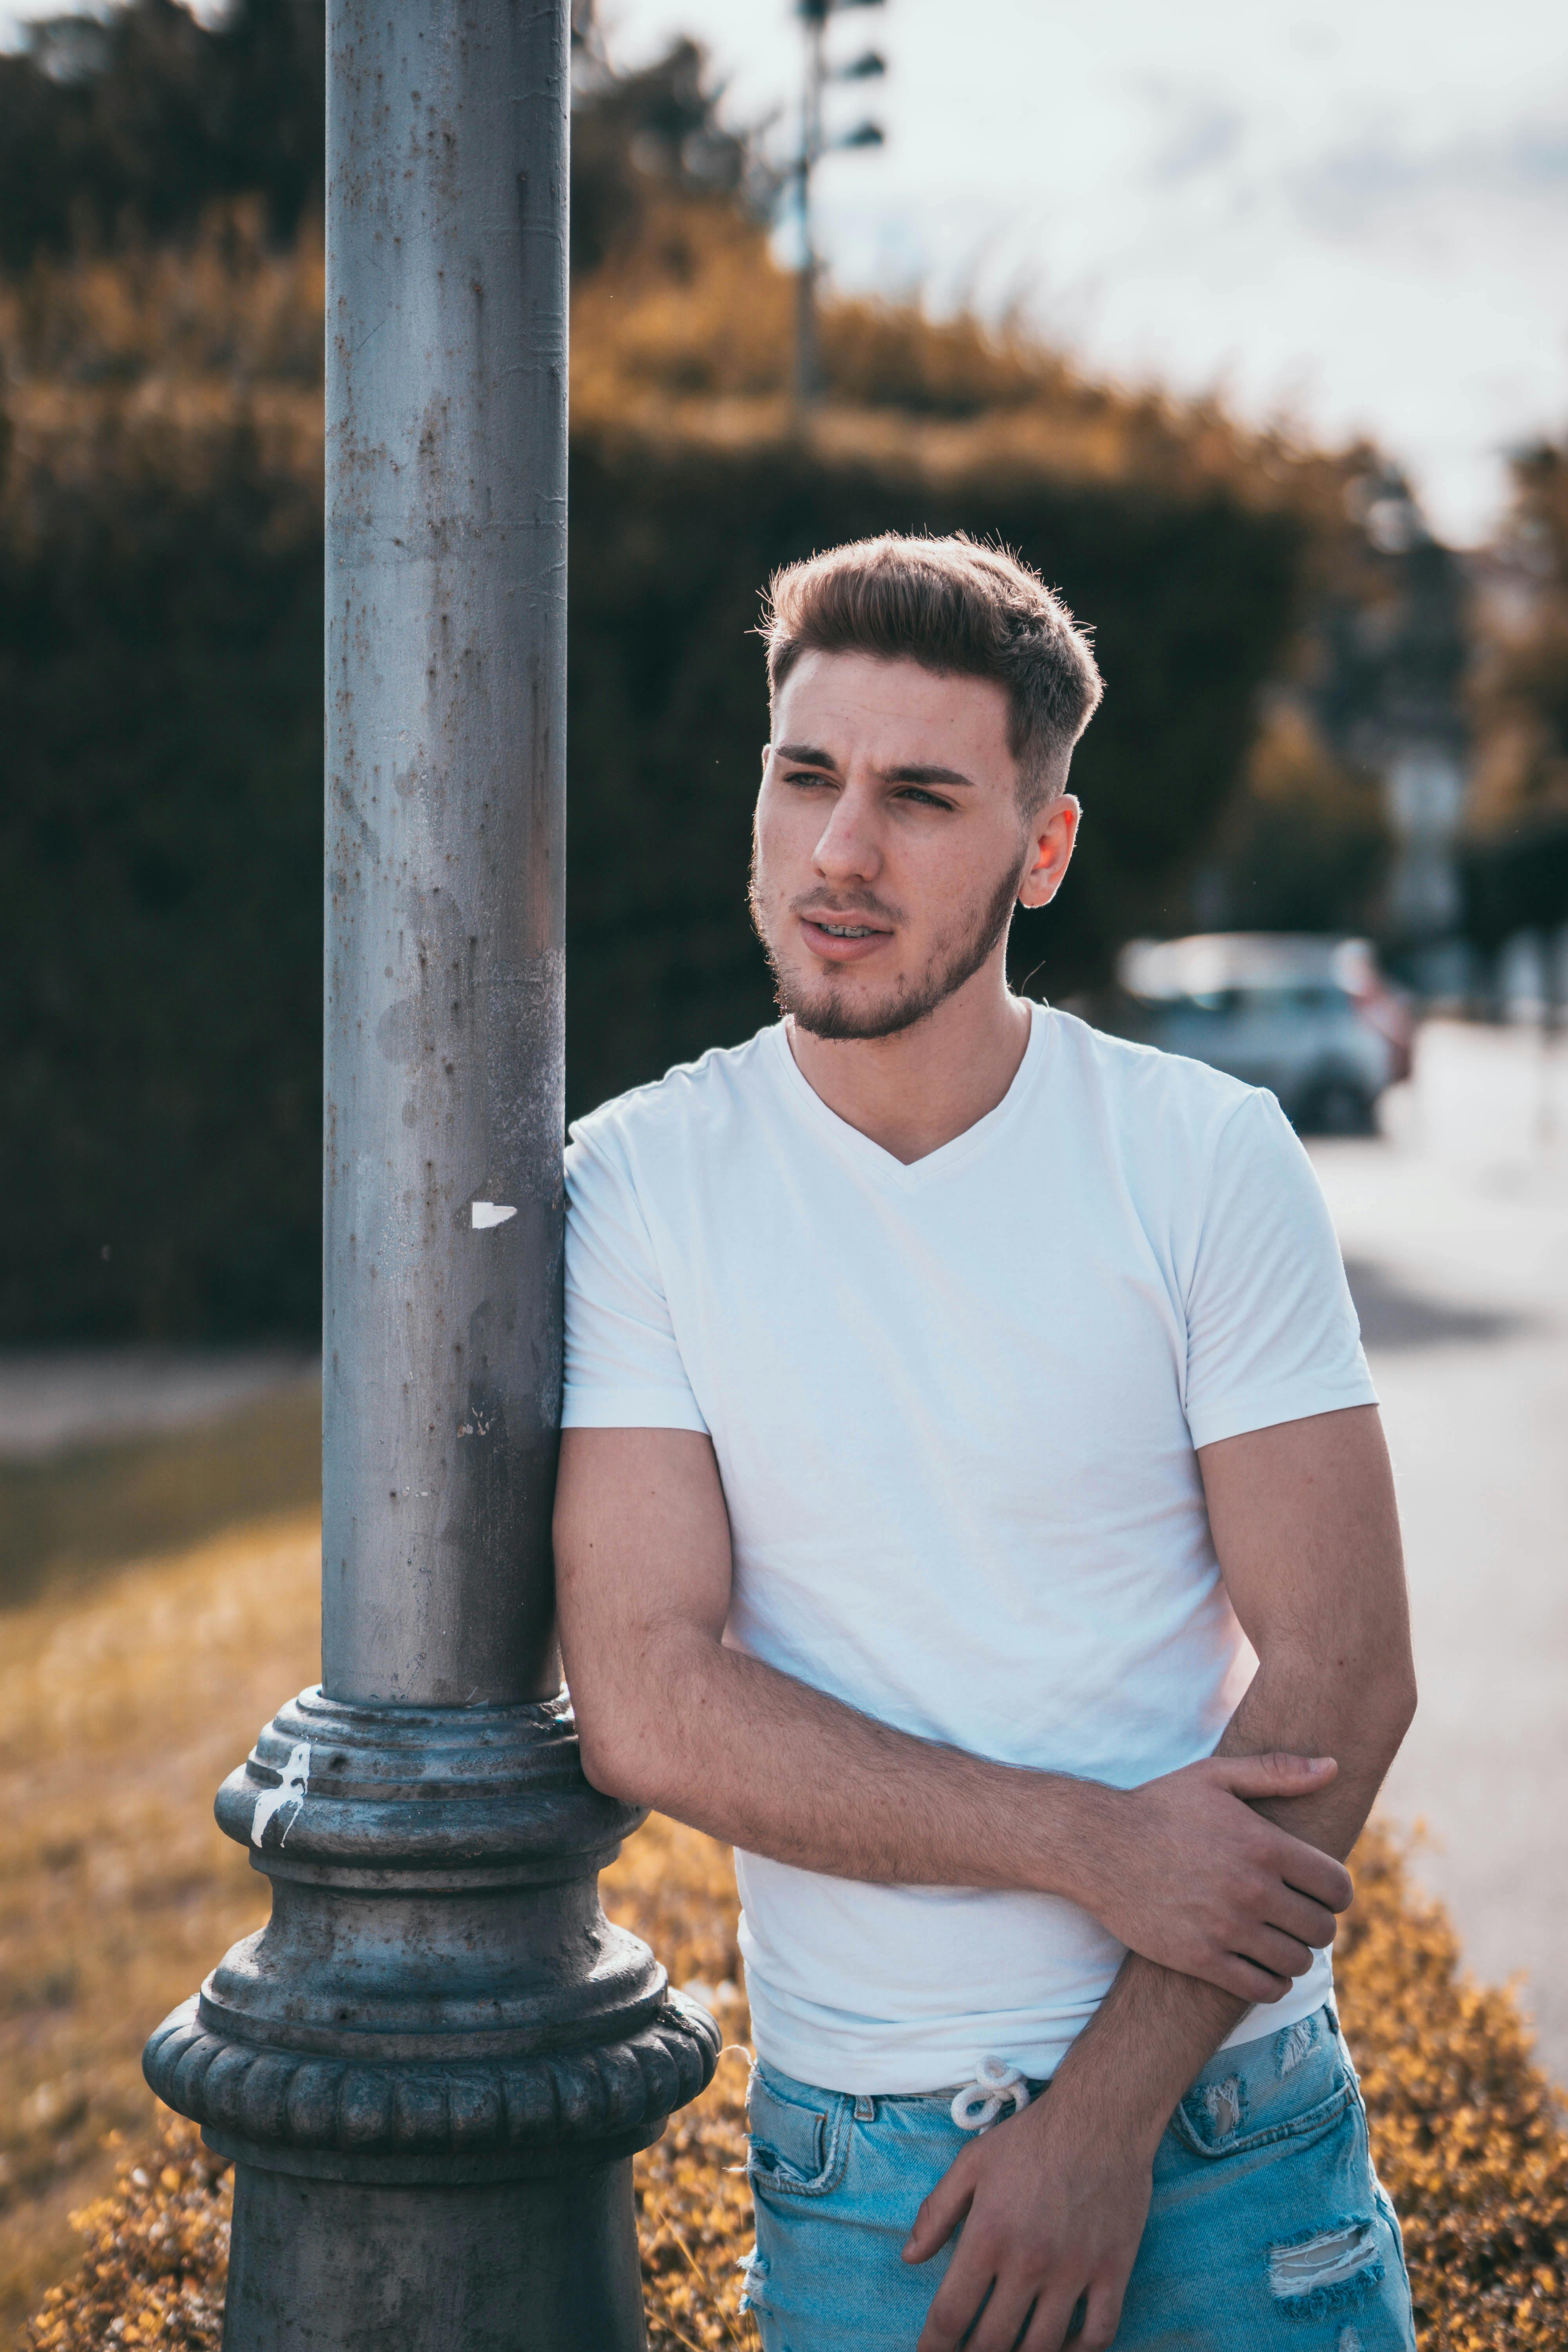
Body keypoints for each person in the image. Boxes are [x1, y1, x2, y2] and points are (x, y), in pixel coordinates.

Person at [554, 533, 1417, 2352]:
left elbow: (1345, 1669)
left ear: (1043, 847)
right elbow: (647, 1698)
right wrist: (1088, 1845)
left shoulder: (1200, 1155)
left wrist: (1102, 2124)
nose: (839, 852)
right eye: (806, 777)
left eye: (919, 797)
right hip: (867, 2172)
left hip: (1228, 2132)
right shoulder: (637, 1184)